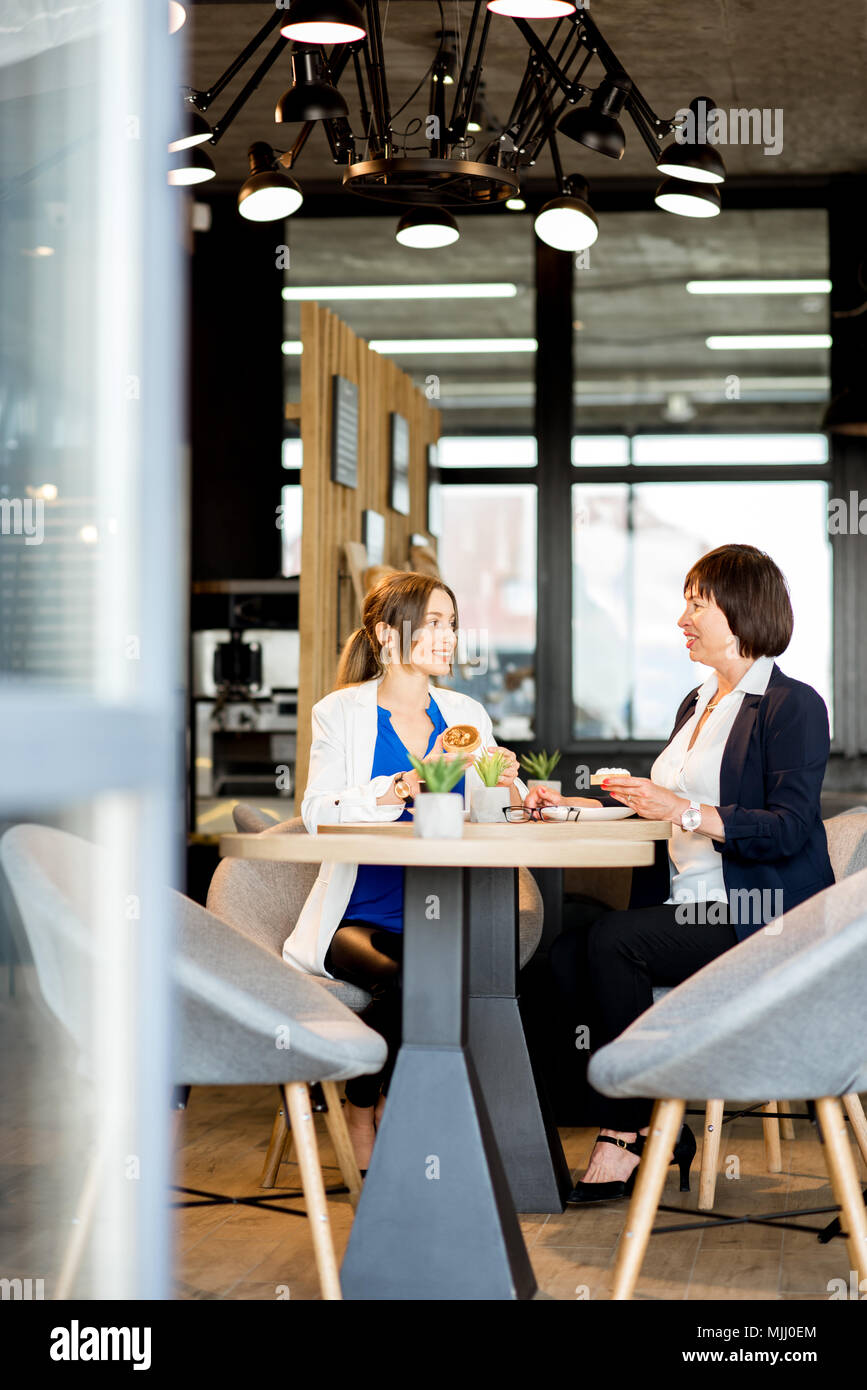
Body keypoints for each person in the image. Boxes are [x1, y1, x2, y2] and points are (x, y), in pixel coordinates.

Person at [527, 543, 834, 1204]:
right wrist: (575, 803)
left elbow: (787, 824)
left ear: (742, 609)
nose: (681, 619)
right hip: (689, 905)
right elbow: (656, 802)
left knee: (613, 942)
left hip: (758, 913)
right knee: (568, 948)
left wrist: (688, 812)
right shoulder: (697, 703)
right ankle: (649, 1118)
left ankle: (626, 1131)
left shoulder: (791, 706)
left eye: (697, 604)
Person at [283, 570, 527, 1171]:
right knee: (418, 979)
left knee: (457, 972)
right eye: (435, 624)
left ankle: (378, 1097)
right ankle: (368, 1100)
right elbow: (316, 812)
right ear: (387, 636)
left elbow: (485, 810)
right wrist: (403, 784)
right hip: (359, 915)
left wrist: (509, 784)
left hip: (444, 906)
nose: (449, 637)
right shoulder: (339, 713)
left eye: (452, 624)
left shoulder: (465, 711)